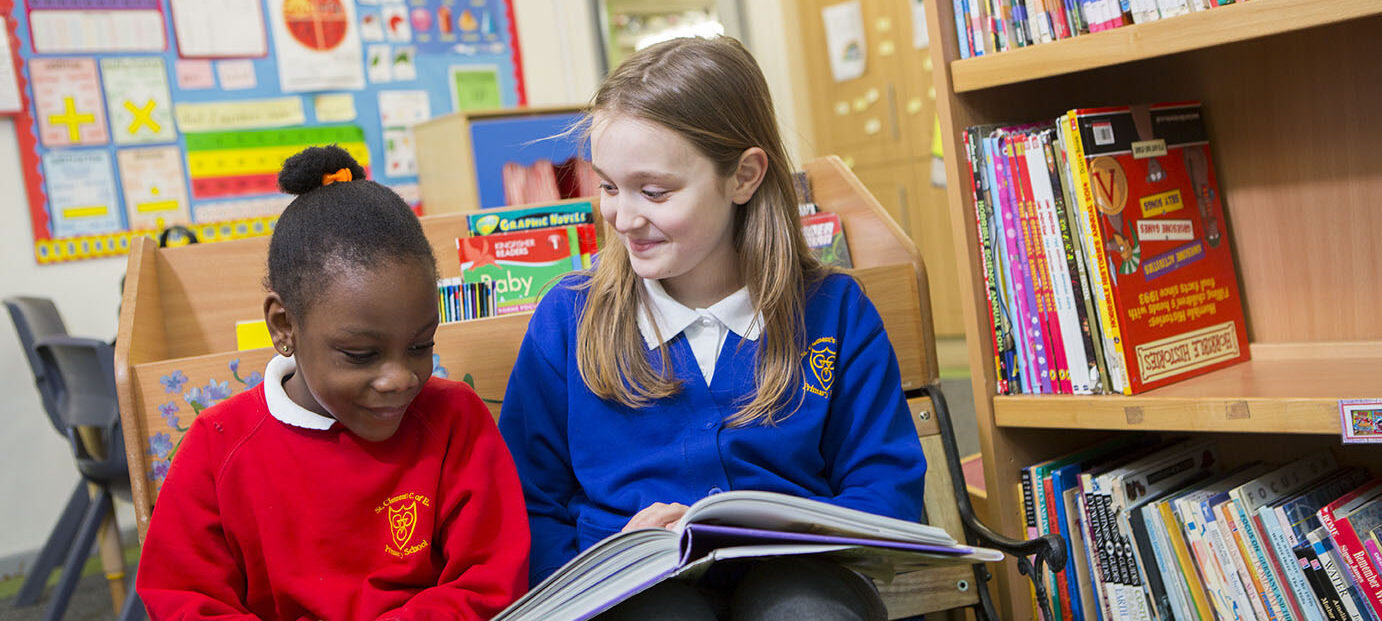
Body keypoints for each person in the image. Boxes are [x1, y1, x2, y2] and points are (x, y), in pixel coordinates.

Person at [498, 36, 927, 621]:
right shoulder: (569, 319)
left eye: (654, 191)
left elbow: (886, 486)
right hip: (632, 590)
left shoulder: (834, 310)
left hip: (805, 582)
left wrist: (807, 538)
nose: (624, 217)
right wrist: (607, 554)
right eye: (606, 187)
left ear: (744, 177)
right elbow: (528, 504)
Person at [137, 146, 529, 620]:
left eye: (421, 345)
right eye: (361, 355)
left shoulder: (455, 421)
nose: (399, 378)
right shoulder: (217, 445)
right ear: (284, 326)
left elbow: (490, 580)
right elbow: (183, 598)